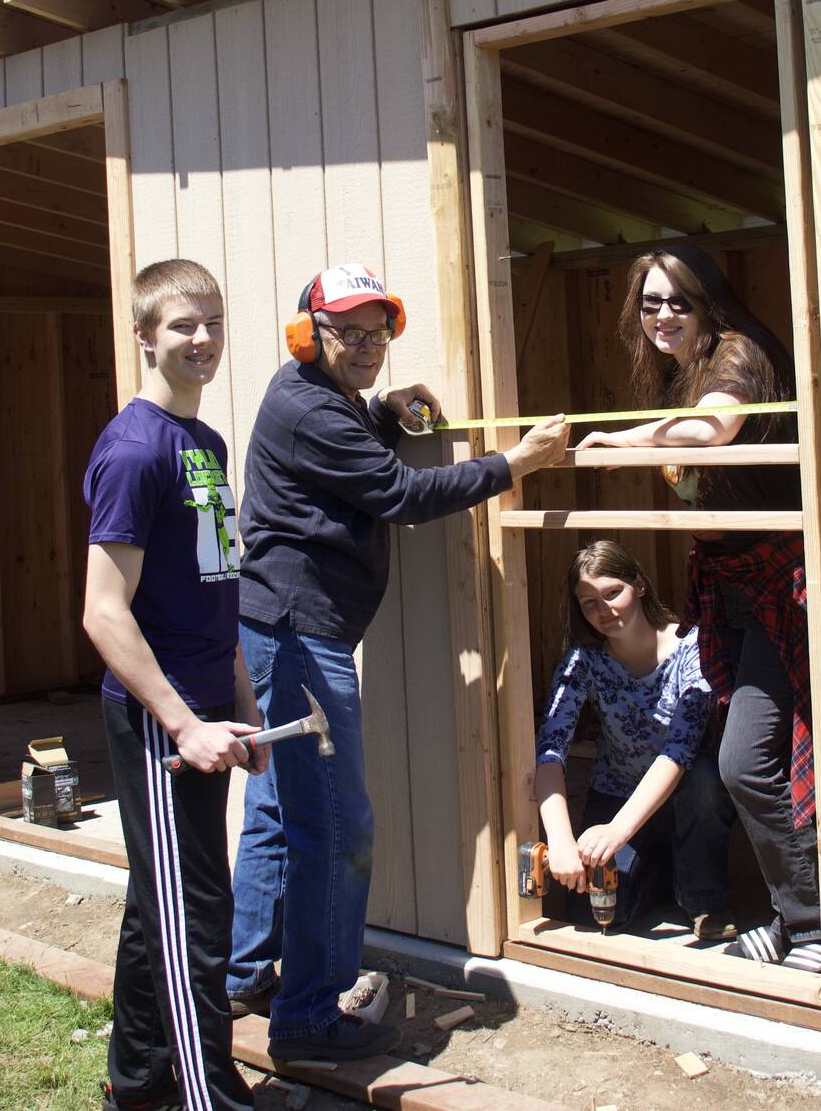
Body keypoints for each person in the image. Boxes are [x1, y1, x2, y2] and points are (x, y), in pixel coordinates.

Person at [227, 263, 569, 1063]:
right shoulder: (309, 407)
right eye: (348, 332)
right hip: (298, 636)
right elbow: (402, 495)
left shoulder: (329, 399)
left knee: (280, 808)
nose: (368, 346)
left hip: (284, 629)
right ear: (307, 334)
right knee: (339, 828)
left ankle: (245, 973)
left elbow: (355, 447)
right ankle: (308, 1018)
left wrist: (383, 409)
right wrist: (518, 462)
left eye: (379, 333)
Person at [576, 244, 821, 970]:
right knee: (718, 765)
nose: (662, 314)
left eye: (678, 300)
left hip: (782, 586)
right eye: (649, 302)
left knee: (745, 762)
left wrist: (624, 438)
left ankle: (811, 927)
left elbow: (713, 429)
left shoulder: (738, 354)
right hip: (727, 587)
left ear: (708, 301)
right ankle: (772, 915)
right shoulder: (680, 373)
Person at [81, 259, 265, 1111]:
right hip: (161, 720)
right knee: (194, 912)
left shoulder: (207, 444)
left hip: (207, 703)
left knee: (158, 898)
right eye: (183, 324)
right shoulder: (135, 449)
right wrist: (185, 722)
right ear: (144, 336)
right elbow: (103, 611)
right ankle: (208, 1096)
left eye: (213, 322)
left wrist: (241, 698)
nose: (203, 339)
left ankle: (138, 1080)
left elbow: (213, 585)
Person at [533, 542, 736, 937]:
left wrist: (617, 831)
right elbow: (550, 750)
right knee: (596, 912)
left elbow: (679, 751)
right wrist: (560, 841)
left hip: (685, 799)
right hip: (617, 793)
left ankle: (703, 900)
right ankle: (662, 872)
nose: (604, 610)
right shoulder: (584, 660)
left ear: (639, 585)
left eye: (613, 593)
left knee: (705, 778)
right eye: (589, 602)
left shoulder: (691, 647)